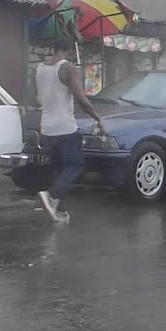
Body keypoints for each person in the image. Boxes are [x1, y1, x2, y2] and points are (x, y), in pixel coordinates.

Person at [35, 37, 104, 222]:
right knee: (75, 165)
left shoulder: (40, 68)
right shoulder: (68, 68)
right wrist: (97, 118)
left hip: (46, 129)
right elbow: (81, 99)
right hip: (65, 128)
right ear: (69, 51)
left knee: (58, 170)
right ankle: (51, 195)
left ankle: (59, 209)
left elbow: (38, 98)